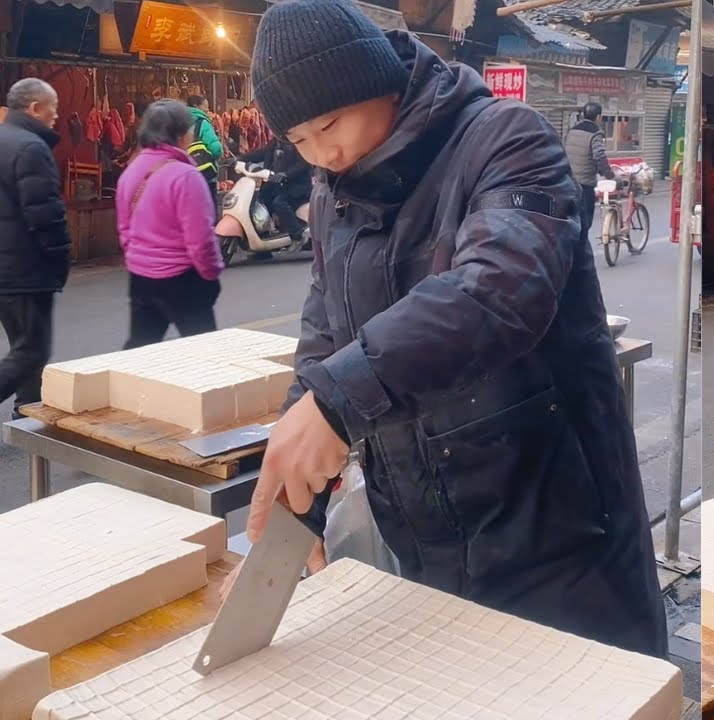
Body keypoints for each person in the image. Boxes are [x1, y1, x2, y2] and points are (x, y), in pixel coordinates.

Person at [238, 0, 666, 658]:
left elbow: (498, 288)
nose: (324, 153)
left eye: (329, 124)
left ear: (376, 81)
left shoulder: (506, 138)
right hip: (425, 537)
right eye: (299, 142)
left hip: (558, 537)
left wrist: (340, 399)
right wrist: (300, 502)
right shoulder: (333, 187)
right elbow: (327, 333)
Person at [115, 100, 224, 348]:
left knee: (139, 351)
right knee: (205, 353)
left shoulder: (131, 172)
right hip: (183, 279)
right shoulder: (187, 176)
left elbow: (124, 228)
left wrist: (139, 259)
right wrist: (211, 274)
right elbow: (201, 240)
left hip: (141, 278)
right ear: (179, 134)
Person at [0, 78, 70, 420]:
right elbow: (45, 216)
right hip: (24, 270)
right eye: (53, 108)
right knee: (31, 350)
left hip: (8, 268)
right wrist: (59, 261)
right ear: (35, 109)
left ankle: (26, 413)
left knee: (24, 346)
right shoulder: (30, 147)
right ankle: (25, 410)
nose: (56, 116)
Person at [242, 136, 311, 245]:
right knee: (261, 204)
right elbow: (260, 154)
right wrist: (239, 159)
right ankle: (263, 246)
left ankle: (298, 236)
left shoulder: (296, 141)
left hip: (297, 186)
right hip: (276, 185)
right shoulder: (274, 142)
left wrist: (286, 174)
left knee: (279, 203)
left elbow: (305, 163)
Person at [564, 101, 614, 247]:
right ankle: (579, 252)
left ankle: (569, 248)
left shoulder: (572, 130)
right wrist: (610, 175)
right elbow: (599, 156)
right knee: (585, 222)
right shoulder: (595, 133)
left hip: (568, 182)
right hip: (585, 185)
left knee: (571, 218)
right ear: (598, 116)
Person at [186, 95, 223, 203]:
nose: (208, 109)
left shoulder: (179, 122)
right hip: (205, 174)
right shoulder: (202, 122)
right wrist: (213, 157)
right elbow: (215, 148)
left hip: (186, 175)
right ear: (196, 106)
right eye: (205, 106)